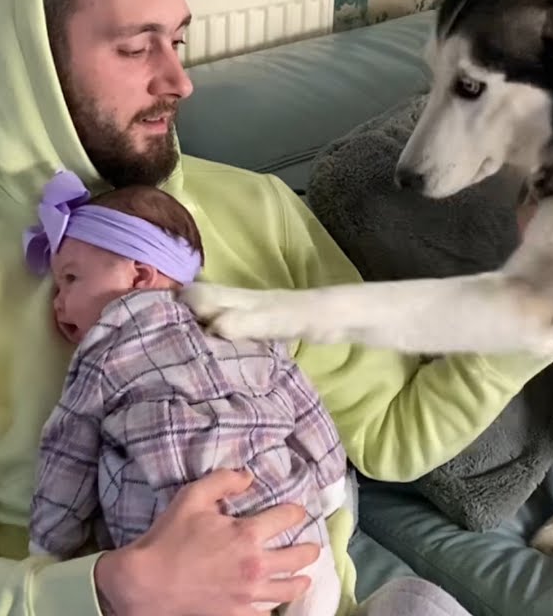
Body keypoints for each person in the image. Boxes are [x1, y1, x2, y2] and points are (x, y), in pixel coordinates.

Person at [0, 0, 553, 614]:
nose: (178, 81)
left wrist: (540, 302)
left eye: (178, 40)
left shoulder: (259, 209)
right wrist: (107, 591)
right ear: (27, 64)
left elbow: (393, 433)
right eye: (137, 48)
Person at [23, 171, 351, 616]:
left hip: (179, 537)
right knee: (317, 590)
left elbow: (68, 450)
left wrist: (49, 545)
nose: (57, 301)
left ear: (139, 274)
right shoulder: (240, 323)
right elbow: (303, 404)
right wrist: (330, 484)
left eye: (70, 279)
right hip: (288, 522)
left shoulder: (106, 352)